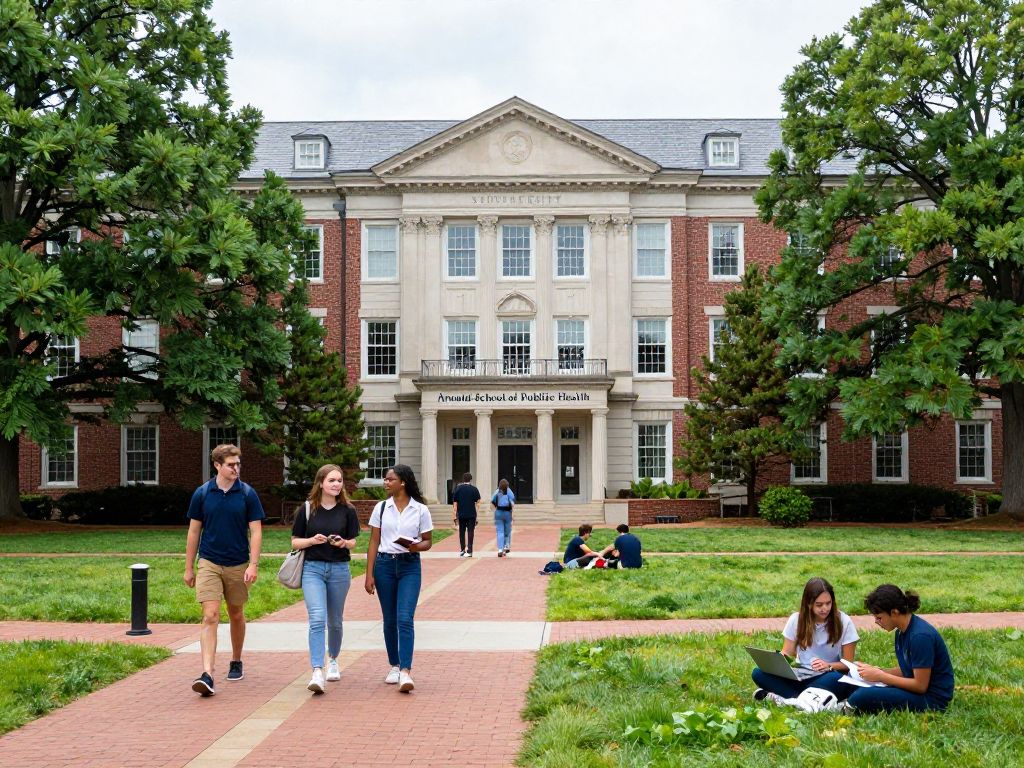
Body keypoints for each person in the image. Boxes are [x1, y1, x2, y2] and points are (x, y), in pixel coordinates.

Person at [184, 444, 265, 697]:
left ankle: (236, 659)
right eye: (231, 464)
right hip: (209, 561)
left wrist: (253, 564)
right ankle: (207, 673)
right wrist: (189, 567)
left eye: (238, 464)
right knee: (210, 615)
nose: (236, 468)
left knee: (236, 613)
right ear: (217, 465)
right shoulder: (203, 493)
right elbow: (194, 531)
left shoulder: (247, 494)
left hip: (238, 563)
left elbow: (256, 530)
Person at [291, 464, 361, 694]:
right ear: (321, 482)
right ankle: (316, 670)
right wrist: (312, 540)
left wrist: (343, 542)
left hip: (339, 569)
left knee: (335, 621)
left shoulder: (347, 510)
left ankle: (333, 659)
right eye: (331, 480)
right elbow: (295, 542)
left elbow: (353, 541)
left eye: (339, 480)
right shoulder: (307, 509)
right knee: (317, 618)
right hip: (313, 569)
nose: (336, 484)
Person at [831, 584, 955, 713]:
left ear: (894, 612)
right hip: (916, 692)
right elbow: (909, 670)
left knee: (863, 696)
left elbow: (920, 686)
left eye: (879, 617)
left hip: (932, 700)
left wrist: (881, 676)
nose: (876, 622)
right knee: (856, 685)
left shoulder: (920, 637)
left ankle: (845, 708)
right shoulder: (901, 632)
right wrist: (875, 671)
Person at [364, 464, 433, 693]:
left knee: (405, 617)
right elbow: (374, 541)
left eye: (390, 479)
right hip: (384, 565)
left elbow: (428, 541)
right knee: (389, 619)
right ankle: (394, 664)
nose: (386, 483)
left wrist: (415, 546)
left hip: (409, 566)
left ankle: (405, 671)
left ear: (402, 482)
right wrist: (369, 574)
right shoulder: (381, 508)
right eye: (385, 479)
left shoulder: (420, 509)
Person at [752, 577, 859, 705]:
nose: (825, 608)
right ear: (808, 603)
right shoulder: (796, 620)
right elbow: (787, 653)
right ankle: (803, 700)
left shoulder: (844, 621)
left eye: (828, 603)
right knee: (758, 673)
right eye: (819, 605)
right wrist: (777, 660)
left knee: (837, 679)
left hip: (826, 675)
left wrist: (829, 665)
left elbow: (848, 665)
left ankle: (787, 698)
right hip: (801, 675)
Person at [451, 472, 481, 557]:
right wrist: (477, 514)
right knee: (471, 532)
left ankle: (462, 550)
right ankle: (470, 550)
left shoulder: (458, 489)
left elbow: (455, 504)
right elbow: (478, 503)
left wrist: (454, 515)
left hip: (461, 514)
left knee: (461, 532)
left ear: (463, 479)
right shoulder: (474, 489)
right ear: (470, 479)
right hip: (472, 514)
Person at [491, 478, 515, 557]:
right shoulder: (510, 492)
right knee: (507, 531)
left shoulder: (497, 491)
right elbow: (512, 505)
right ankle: (506, 545)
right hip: (508, 513)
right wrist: (513, 515)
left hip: (498, 513)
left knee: (500, 531)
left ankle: (500, 549)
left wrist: (495, 512)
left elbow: (492, 503)